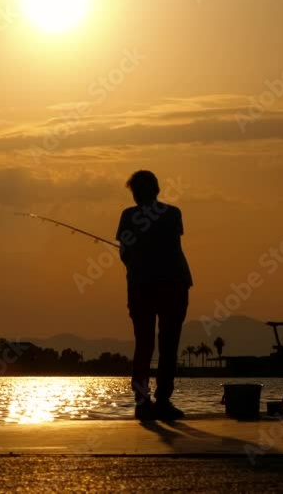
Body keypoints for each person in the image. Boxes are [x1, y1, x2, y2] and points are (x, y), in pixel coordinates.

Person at [115, 170, 193, 420]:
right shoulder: (173, 213)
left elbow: (125, 254)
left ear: (136, 194)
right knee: (169, 345)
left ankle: (142, 402)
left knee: (144, 345)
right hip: (173, 285)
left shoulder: (128, 216)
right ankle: (163, 401)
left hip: (143, 287)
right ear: (157, 190)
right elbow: (173, 246)